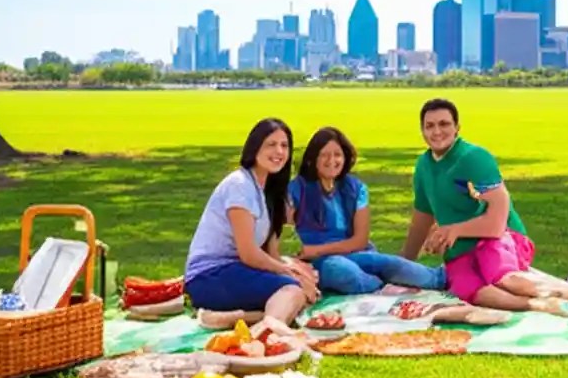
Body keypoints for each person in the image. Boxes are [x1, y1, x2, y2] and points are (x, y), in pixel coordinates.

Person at [401, 98, 568, 319]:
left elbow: (496, 225)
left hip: (500, 237)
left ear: (457, 128)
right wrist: (405, 263)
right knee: (468, 290)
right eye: (430, 126)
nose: (437, 131)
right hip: (461, 249)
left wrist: (452, 230)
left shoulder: (474, 158)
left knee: (500, 276)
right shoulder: (423, 166)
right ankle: (540, 305)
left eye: (444, 124)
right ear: (422, 131)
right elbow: (422, 216)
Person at [184, 118, 319, 326]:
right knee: (293, 290)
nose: (279, 152)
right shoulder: (240, 185)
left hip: (237, 270)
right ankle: (271, 330)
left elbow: (270, 255)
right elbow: (248, 254)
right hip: (209, 277)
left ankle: (234, 319)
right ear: (255, 147)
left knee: (305, 290)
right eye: (271, 145)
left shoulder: (269, 192)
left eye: (284, 146)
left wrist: (299, 271)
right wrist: (292, 275)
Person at [288, 126, 446, 294]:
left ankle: (443, 277)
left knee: (391, 263)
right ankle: (382, 288)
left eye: (337, 155)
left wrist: (315, 250)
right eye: (325, 155)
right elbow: (279, 222)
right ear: (313, 159)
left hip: (355, 252)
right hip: (324, 262)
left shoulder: (355, 188)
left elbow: (359, 241)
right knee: (342, 271)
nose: (331, 160)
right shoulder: (298, 188)